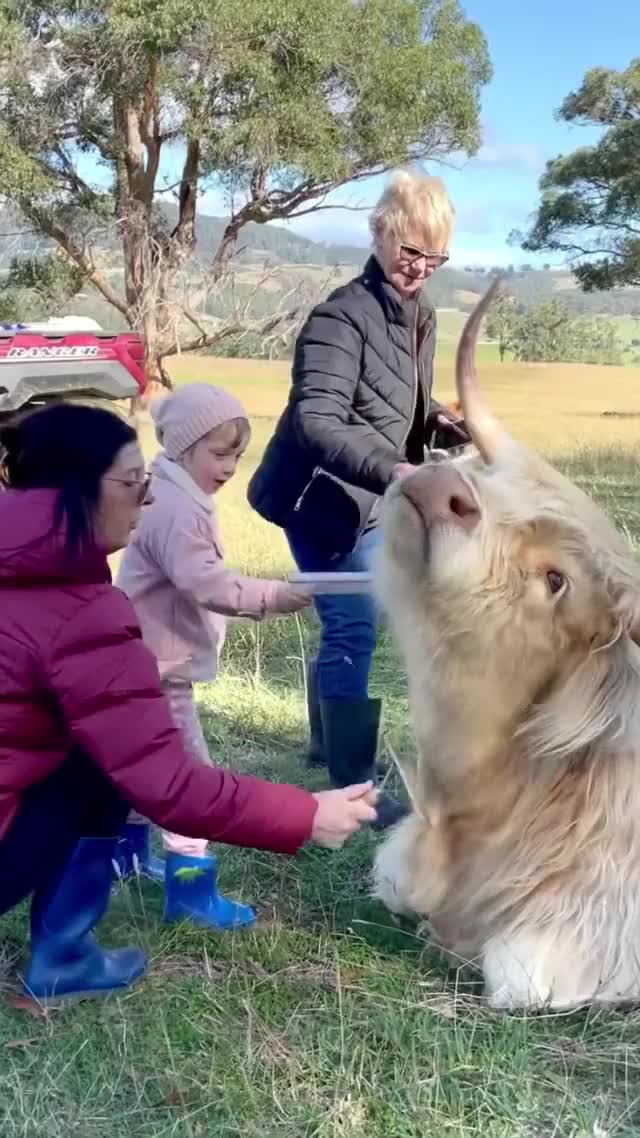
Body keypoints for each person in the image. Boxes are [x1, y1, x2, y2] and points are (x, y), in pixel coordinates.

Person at [0, 403, 378, 1006]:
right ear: (77, 490)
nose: (145, 499)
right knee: (108, 761)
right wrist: (306, 813)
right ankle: (69, 957)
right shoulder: (80, 612)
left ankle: (103, 890)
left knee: (90, 750)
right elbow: (168, 784)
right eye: (133, 482)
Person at [247, 169, 467, 827]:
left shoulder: (418, 315)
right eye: (410, 252)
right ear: (379, 234)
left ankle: (324, 744)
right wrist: (398, 472)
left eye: (435, 257)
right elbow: (319, 419)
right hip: (322, 498)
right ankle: (353, 788)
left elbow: (391, 406)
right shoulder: (339, 317)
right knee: (352, 626)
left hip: (371, 493)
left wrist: (438, 426)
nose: (420, 268)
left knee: (349, 624)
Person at [115, 383, 313, 931]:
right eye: (219, 452)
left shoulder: (171, 492)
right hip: (158, 671)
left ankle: (124, 856)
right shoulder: (176, 509)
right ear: (182, 445)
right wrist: (274, 596)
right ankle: (191, 893)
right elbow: (206, 583)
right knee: (188, 779)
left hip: (142, 664)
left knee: (139, 768)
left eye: (236, 455)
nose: (228, 467)